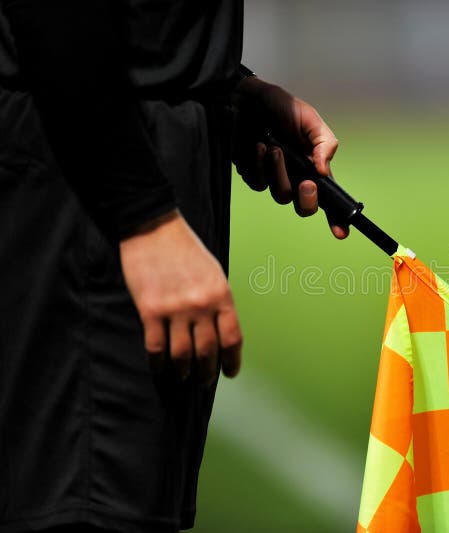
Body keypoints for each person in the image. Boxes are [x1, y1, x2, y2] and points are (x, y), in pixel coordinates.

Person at [0, 1, 344, 531]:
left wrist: (224, 86)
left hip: (112, 164)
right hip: (86, 192)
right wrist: (144, 219)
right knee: (84, 507)